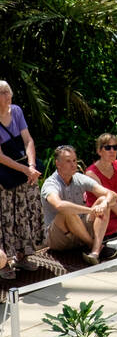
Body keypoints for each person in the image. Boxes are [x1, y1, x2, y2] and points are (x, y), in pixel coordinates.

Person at [0, 80, 45, 274]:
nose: (7, 96)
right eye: (2, 93)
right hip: (5, 177)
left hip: (25, 171)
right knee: (7, 216)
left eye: (8, 92)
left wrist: (32, 166)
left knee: (26, 213)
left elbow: (28, 139)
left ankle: (23, 256)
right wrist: (25, 169)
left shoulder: (16, 111)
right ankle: (4, 261)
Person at [41, 145, 114, 264]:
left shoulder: (79, 178)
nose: (73, 164)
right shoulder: (50, 184)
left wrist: (104, 203)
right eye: (68, 161)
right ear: (58, 164)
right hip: (60, 238)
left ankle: (95, 251)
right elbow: (59, 205)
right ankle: (93, 245)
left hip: (80, 231)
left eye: (74, 160)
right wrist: (91, 211)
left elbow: (111, 194)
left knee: (102, 200)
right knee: (66, 211)